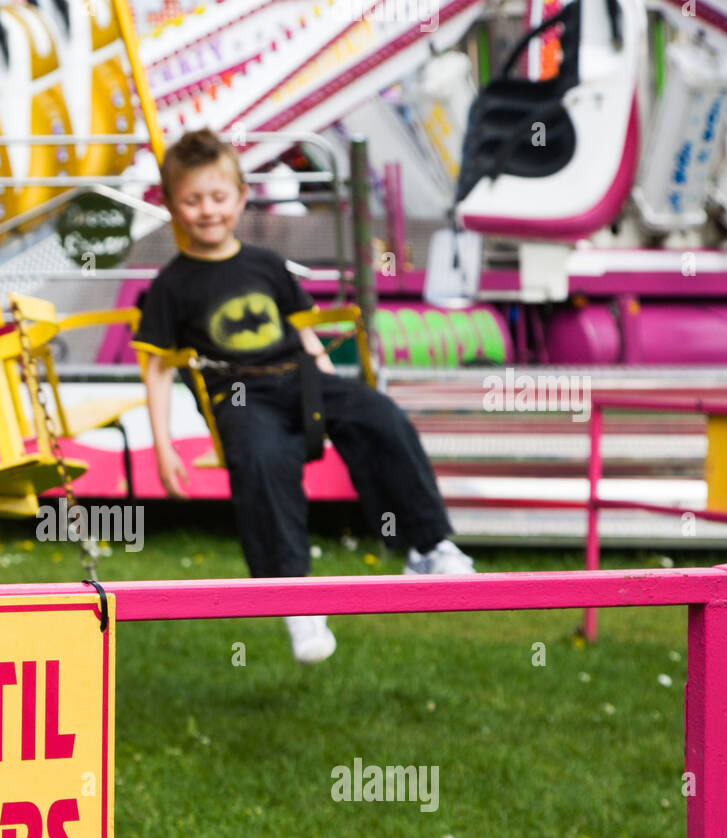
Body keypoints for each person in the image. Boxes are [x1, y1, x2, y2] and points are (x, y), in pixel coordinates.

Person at [132, 128, 475, 665]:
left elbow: (304, 328)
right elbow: (154, 366)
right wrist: (162, 446)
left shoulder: (267, 265)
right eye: (192, 200)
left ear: (241, 197)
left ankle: (427, 544)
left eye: (218, 197)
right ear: (173, 206)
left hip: (299, 377)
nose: (207, 211)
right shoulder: (171, 286)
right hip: (239, 394)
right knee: (265, 459)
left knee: (380, 415)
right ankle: (294, 595)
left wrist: (324, 379)